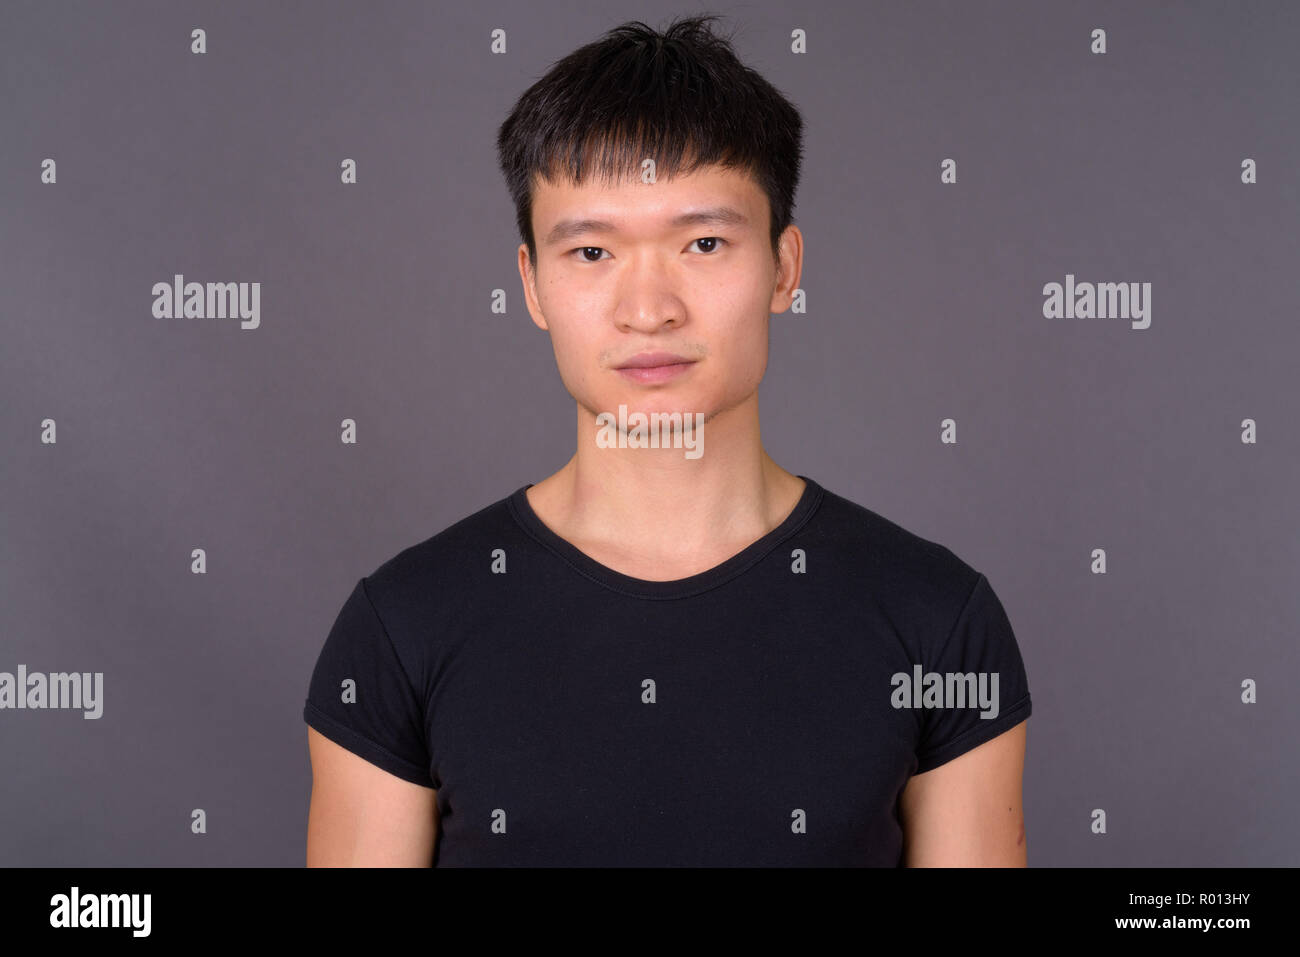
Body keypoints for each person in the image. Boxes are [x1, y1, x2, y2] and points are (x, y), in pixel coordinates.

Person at [303, 14, 1031, 867]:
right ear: (531, 285)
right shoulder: (402, 628)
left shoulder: (937, 618)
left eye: (705, 242)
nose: (649, 308)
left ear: (784, 267)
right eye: (591, 252)